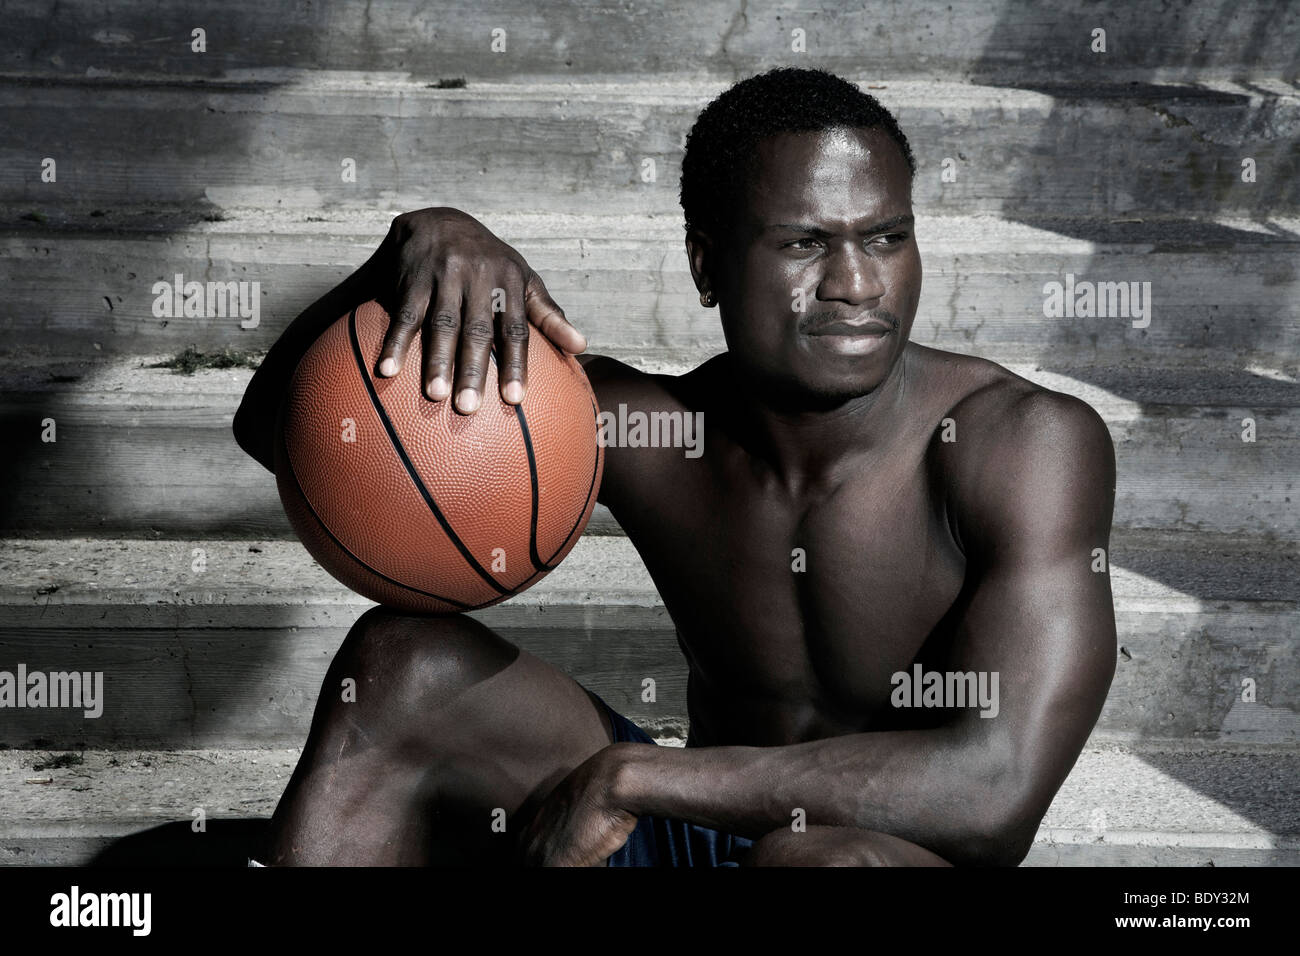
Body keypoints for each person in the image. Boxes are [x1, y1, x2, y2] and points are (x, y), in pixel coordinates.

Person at [233, 67, 1117, 866]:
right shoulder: (645, 428)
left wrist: (636, 780)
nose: (856, 283)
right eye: (806, 244)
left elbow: (994, 792)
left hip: (885, 853)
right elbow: (279, 436)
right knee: (402, 663)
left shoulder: (1022, 443)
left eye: (886, 238)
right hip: (699, 830)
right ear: (707, 265)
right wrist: (403, 258)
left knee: (815, 866)